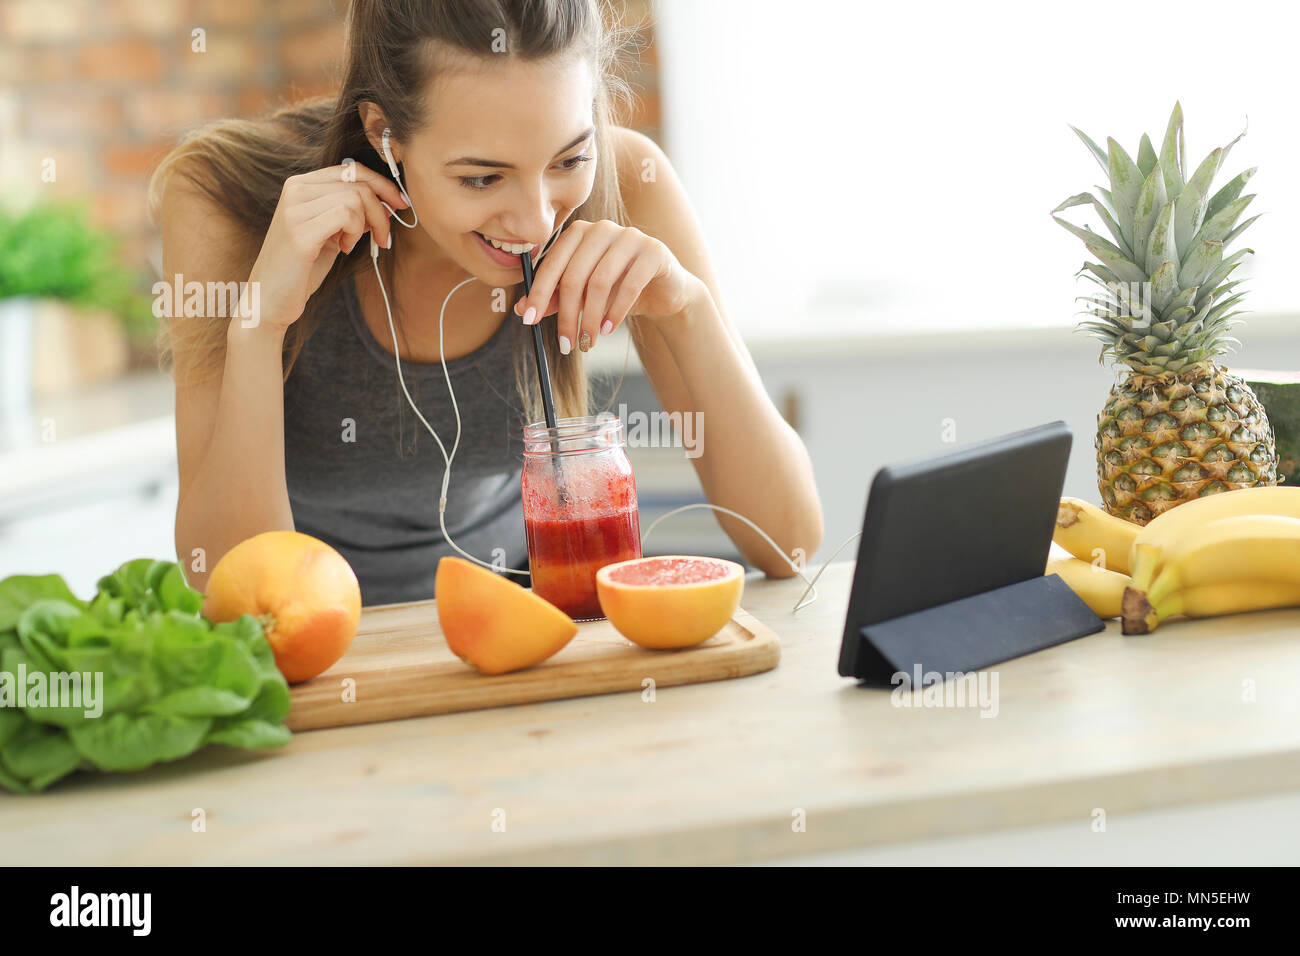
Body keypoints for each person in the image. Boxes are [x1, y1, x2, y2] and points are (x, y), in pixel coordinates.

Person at [148, 0, 823, 605]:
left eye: (568, 159)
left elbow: (789, 544)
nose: (534, 221)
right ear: (386, 136)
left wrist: (687, 310)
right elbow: (225, 582)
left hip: (523, 642)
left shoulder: (630, 184)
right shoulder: (224, 202)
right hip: (320, 662)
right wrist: (260, 325)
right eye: (482, 177)